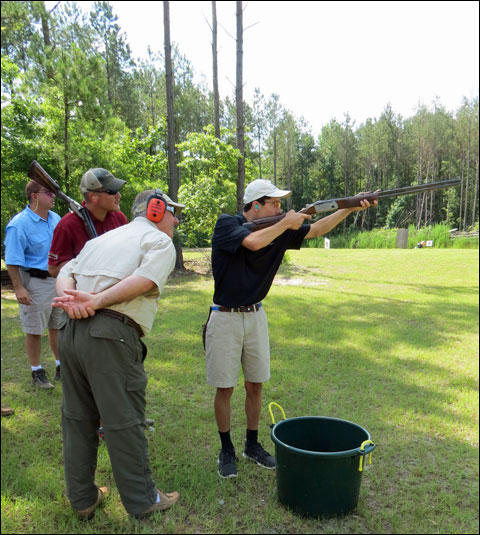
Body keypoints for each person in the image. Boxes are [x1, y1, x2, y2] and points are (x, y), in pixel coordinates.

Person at [205, 178, 377, 478]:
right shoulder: (226, 224)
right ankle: (226, 449)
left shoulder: (282, 228)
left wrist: (350, 207)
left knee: (256, 384)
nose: (281, 208)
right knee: (225, 388)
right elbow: (254, 242)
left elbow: (318, 228)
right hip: (225, 317)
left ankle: (251, 444)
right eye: (275, 203)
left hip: (255, 315)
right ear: (256, 205)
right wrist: (286, 223)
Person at [52, 189, 184, 519]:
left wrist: (71, 300)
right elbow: (143, 281)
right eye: (172, 212)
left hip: (70, 335)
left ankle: (82, 499)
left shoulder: (102, 240)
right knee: (124, 419)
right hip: (111, 335)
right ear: (155, 210)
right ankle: (143, 500)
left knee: (77, 417)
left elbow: (65, 270)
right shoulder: (159, 243)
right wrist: (92, 302)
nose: (176, 219)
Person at [4, 180, 64, 388]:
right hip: (35, 281)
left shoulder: (56, 219)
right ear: (34, 196)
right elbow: (12, 259)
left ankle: (60, 366)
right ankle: (36, 371)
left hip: (57, 280)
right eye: (48, 192)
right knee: (35, 329)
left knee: (57, 326)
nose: (53, 196)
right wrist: (19, 288)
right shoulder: (19, 224)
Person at [47, 167, 128, 279]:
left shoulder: (119, 218)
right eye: (112, 192)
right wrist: (87, 261)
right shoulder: (66, 225)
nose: (119, 195)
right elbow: (54, 270)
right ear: (93, 197)